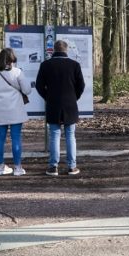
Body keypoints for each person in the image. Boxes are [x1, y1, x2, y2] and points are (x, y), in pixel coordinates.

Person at [35, 40, 85, 176]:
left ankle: (53, 167)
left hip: (53, 104)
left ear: (53, 50)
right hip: (70, 105)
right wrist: (74, 98)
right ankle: (72, 167)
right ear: (66, 50)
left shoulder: (46, 65)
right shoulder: (74, 65)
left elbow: (39, 86)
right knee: (70, 135)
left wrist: (48, 97)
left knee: (54, 135)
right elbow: (81, 85)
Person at [0, 47, 31, 175]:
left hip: (0, 110)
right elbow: (27, 90)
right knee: (16, 138)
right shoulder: (17, 72)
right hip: (16, 110)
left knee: (0, 138)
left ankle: (0, 167)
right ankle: (17, 168)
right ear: (12, 59)